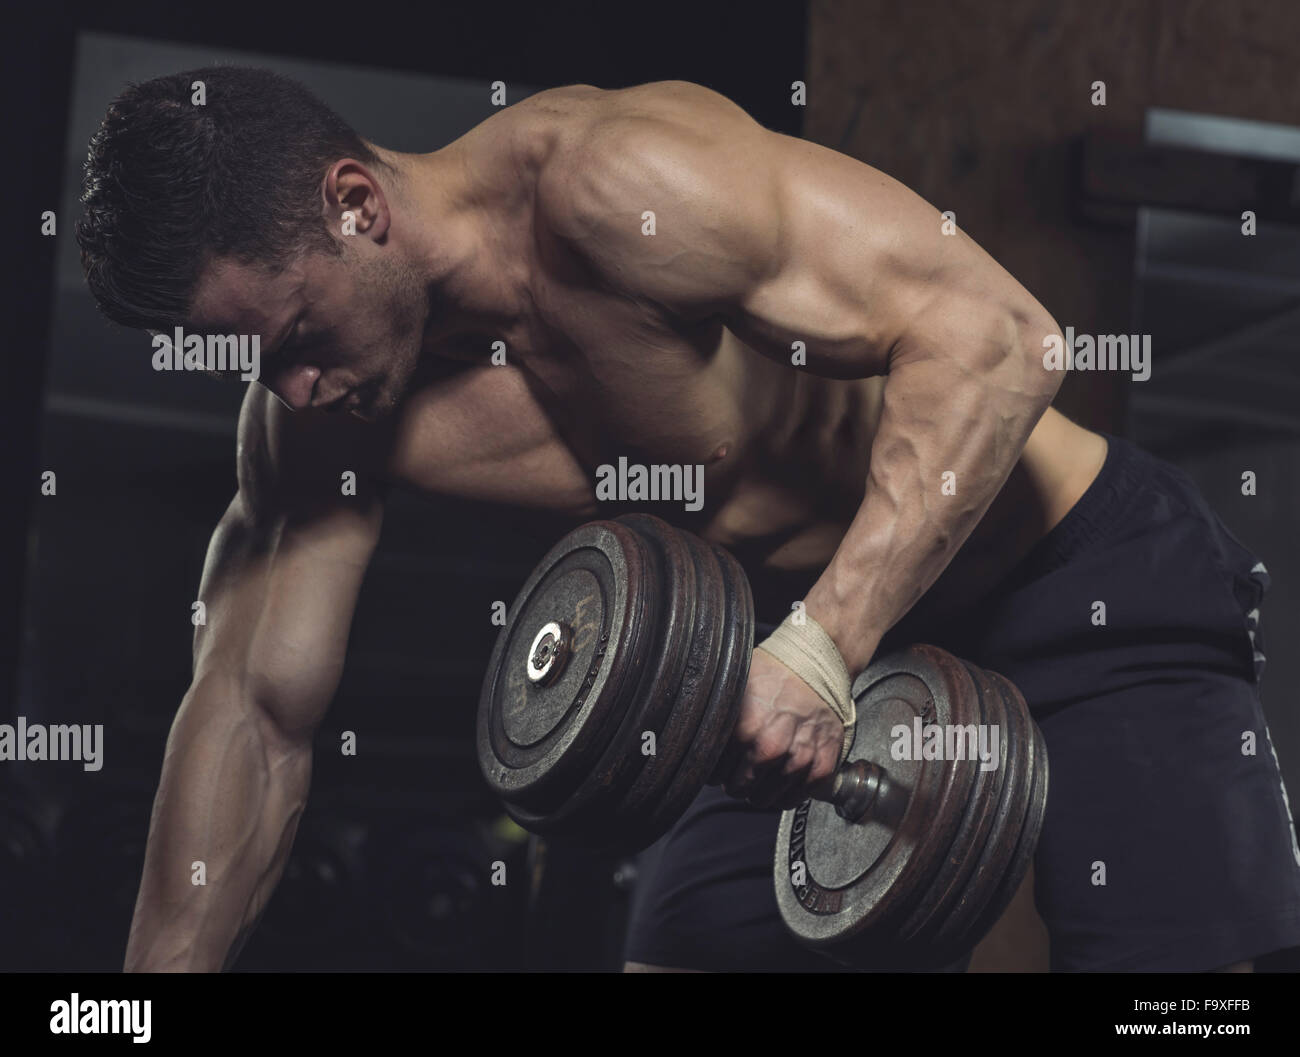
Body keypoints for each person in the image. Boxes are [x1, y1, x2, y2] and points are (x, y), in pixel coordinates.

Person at [76, 67, 1300, 972]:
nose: (293, 389)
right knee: (685, 944)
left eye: (295, 338)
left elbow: (999, 338)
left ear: (357, 204)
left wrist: (824, 645)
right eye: (252, 364)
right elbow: (248, 713)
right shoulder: (310, 429)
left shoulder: (622, 184)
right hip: (801, 659)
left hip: (1072, 574)